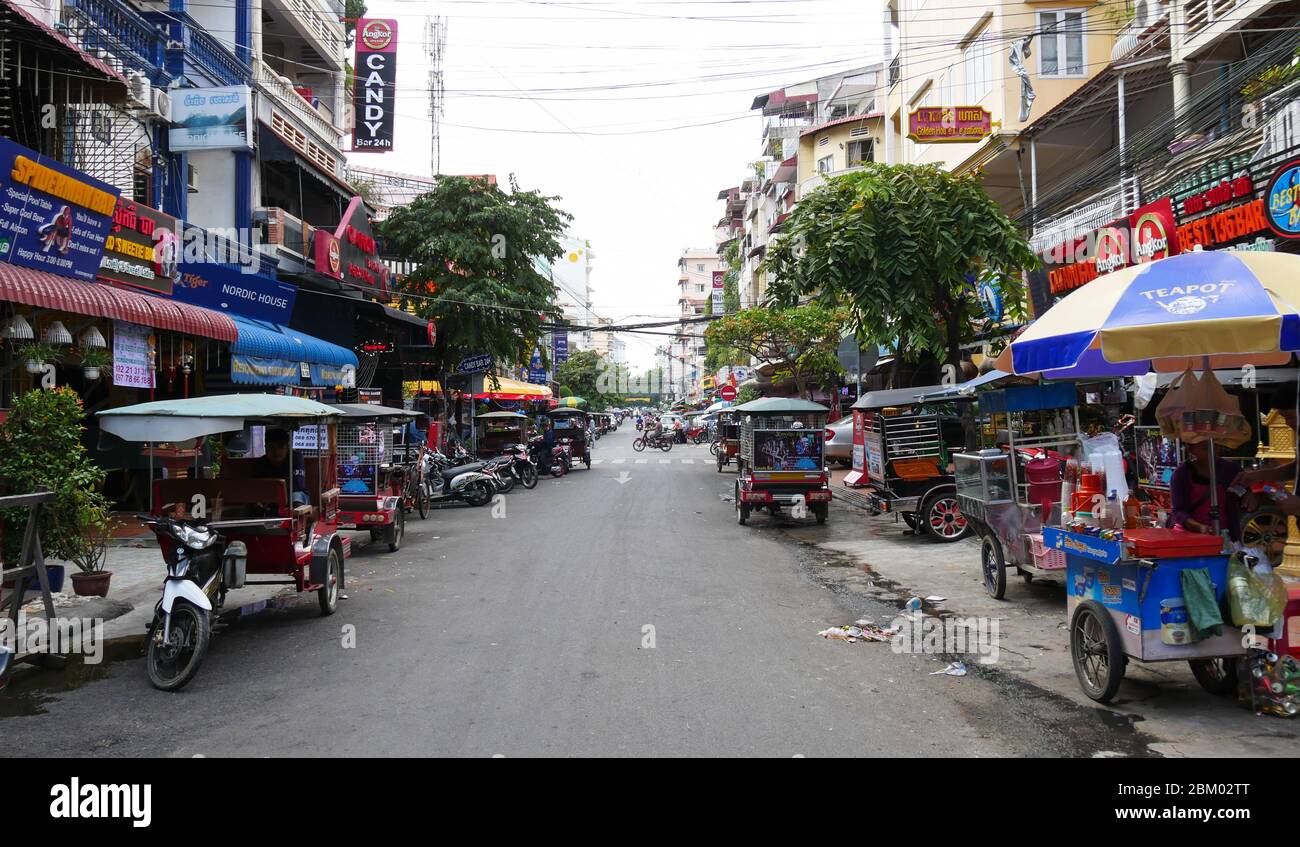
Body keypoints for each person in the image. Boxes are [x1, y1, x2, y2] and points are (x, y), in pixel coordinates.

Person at [1169, 439, 1241, 539]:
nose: (1213, 451)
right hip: (1190, 536)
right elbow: (1178, 511)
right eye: (1206, 448)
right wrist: (1200, 528)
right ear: (1191, 450)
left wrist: (1250, 494)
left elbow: (1244, 489)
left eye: (1216, 446)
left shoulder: (1231, 469)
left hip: (1227, 534)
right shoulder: (1182, 474)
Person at [253, 428, 308, 508]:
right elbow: (254, 488)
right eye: (272, 447)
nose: (277, 451)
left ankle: (298, 519)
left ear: (287, 447)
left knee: (296, 497)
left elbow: (297, 486)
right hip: (267, 499)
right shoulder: (260, 463)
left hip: (293, 497)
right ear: (266, 448)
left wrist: (273, 496)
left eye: (281, 446)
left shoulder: (295, 457)